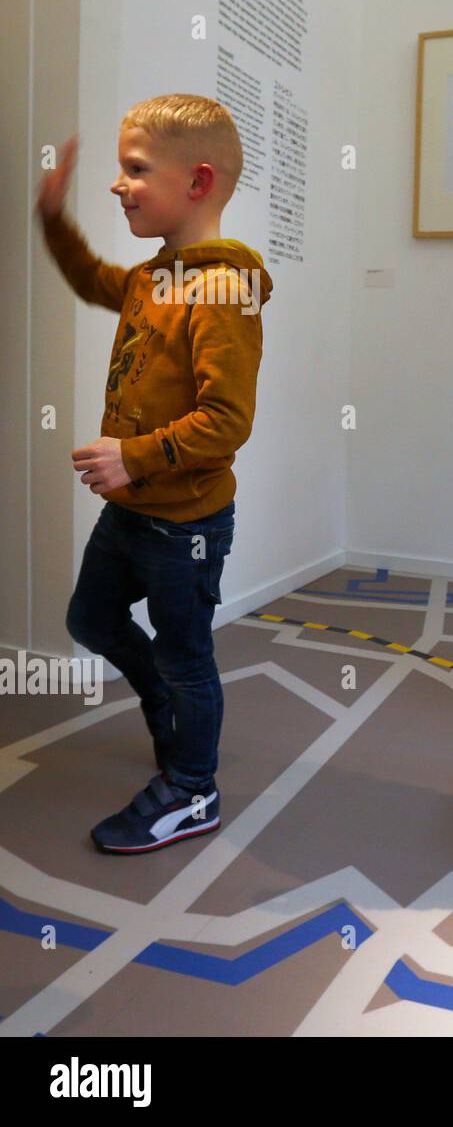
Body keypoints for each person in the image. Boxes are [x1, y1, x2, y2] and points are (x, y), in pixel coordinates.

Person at [34, 94, 273, 854]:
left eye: (135, 169)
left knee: (186, 655)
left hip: (187, 525)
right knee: (90, 620)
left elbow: (227, 420)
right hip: (134, 512)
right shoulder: (156, 278)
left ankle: (192, 789)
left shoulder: (221, 290)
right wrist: (51, 217)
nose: (118, 183)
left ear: (197, 182)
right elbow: (94, 281)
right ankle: (166, 712)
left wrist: (131, 456)